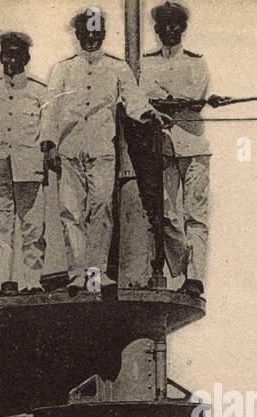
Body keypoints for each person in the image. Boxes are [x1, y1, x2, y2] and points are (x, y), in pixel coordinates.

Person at [39, 8, 168, 292]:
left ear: (104, 35)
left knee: (101, 207)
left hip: (101, 149)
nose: (91, 40)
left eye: (97, 34)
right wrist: (49, 145)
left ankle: (95, 274)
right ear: (78, 35)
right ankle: (77, 273)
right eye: (86, 34)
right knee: (71, 211)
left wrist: (148, 114)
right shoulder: (64, 68)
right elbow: (50, 110)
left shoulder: (117, 67)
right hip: (69, 149)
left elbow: (133, 99)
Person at [140, 1, 211, 296]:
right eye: (162, 26)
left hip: (193, 145)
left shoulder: (196, 62)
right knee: (168, 214)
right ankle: (181, 268)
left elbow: (195, 95)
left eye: (173, 25)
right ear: (157, 30)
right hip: (163, 146)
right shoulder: (146, 62)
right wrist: (166, 99)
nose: (168, 31)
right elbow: (141, 93)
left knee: (195, 213)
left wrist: (162, 98)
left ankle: (193, 278)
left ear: (182, 28)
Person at [0, 30, 47, 294]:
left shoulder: (39, 92)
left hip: (29, 167)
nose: (11, 60)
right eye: (7, 55)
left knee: (32, 227)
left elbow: (44, 129)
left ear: (26, 58)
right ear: (1, 57)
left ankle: (32, 281)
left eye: (16, 55)